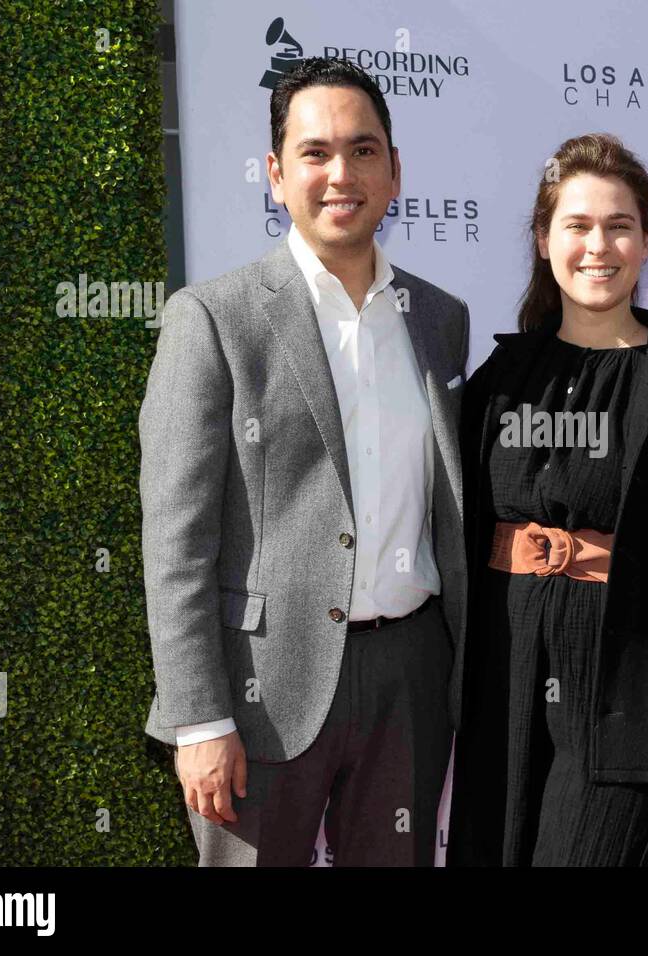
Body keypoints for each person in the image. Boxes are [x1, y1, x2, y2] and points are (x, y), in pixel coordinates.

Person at [140, 57, 469, 866]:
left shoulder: (440, 318)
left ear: (396, 173)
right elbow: (175, 540)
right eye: (315, 152)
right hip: (260, 690)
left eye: (363, 150)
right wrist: (200, 719)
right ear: (276, 175)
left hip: (410, 678)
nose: (341, 173)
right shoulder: (211, 319)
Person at [446, 133, 648, 867]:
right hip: (506, 685)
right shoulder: (504, 377)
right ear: (542, 240)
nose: (600, 246)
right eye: (578, 225)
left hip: (643, 701)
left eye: (619, 226)